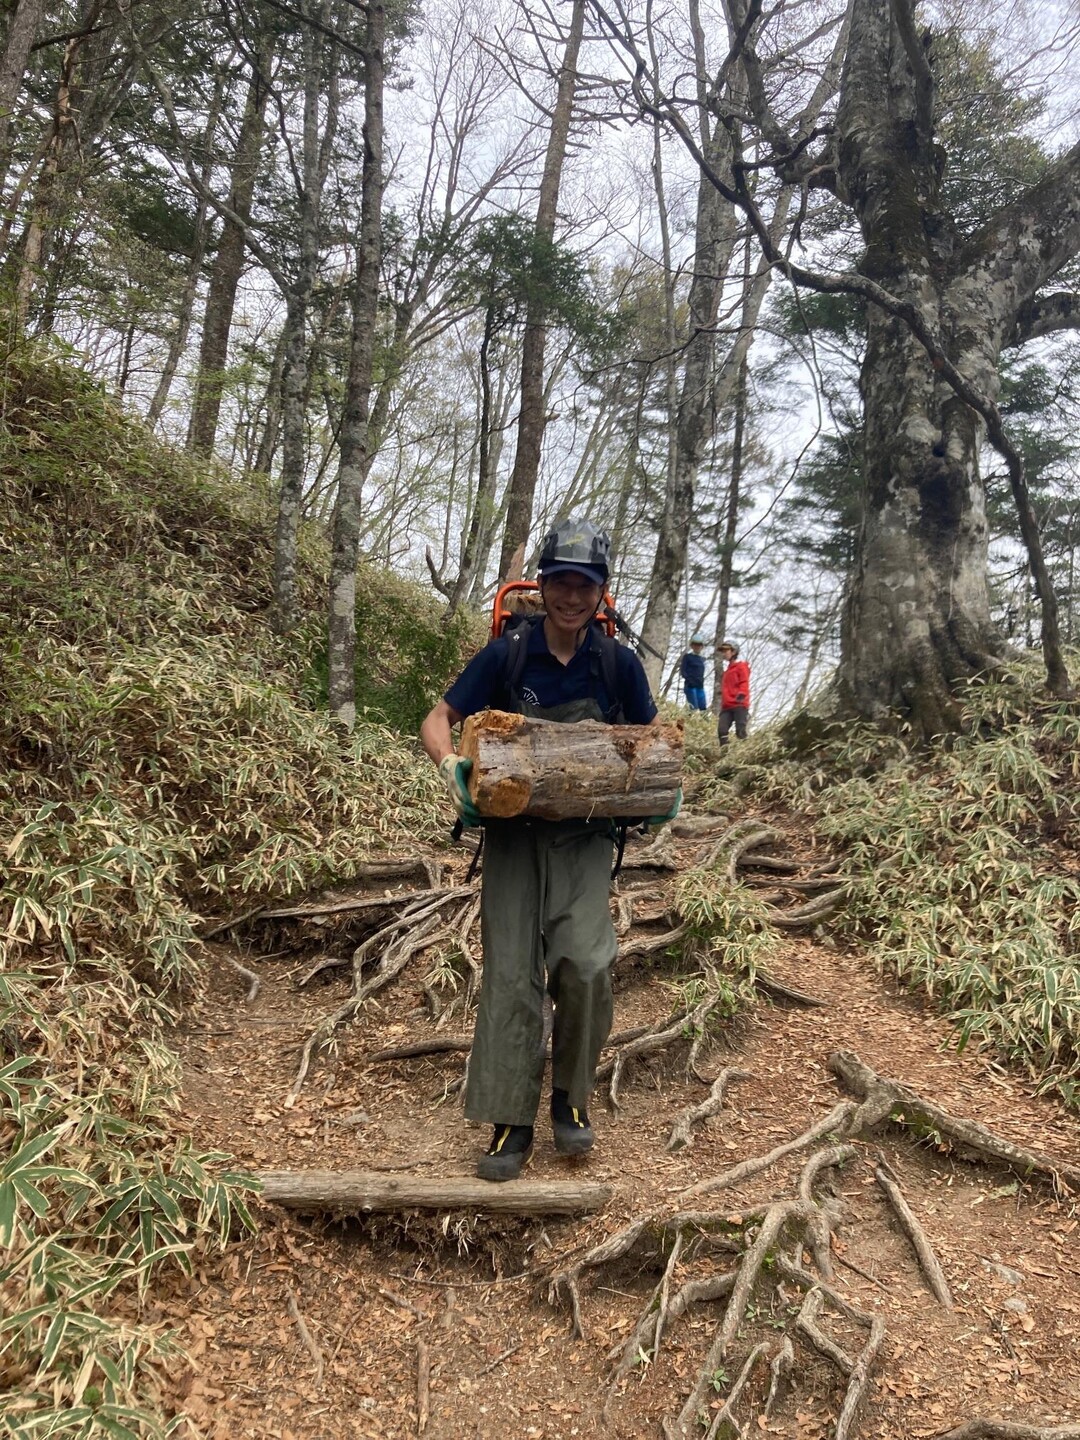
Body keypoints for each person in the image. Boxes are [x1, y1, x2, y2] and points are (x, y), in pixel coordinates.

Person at [420, 519, 671, 1182]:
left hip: (586, 838)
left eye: (583, 585)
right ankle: (510, 1118)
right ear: (545, 584)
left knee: (586, 963)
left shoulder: (615, 664)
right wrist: (451, 767)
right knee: (510, 970)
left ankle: (570, 1098)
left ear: (600, 594)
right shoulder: (508, 654)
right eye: (560, 581)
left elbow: (649, 741)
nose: (570, 595)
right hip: (512, 838)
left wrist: (657, 789)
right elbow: (437, 718)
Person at [717, 640, 750, 744]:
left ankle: (744, 752)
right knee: (722, 730)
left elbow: (744, 681)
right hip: (727, 706)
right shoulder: (727, 671)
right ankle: (725, 753)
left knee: (740, 731)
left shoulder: (741, 666)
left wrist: (742, 693)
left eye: (726, 650)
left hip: (739, 704)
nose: (723, 653)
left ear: (734, 652)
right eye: (722, 651)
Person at [680, 635, 708, 711]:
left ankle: (703, 722)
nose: (697, 647)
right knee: (693, 707)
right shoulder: (687, 657)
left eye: (699, 645)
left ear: (702, 647)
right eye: (695, 644)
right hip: (690, 686)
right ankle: (690, 721)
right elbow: (683, 671)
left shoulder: (702, 659)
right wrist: (689, 680)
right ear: (692, 646)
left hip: (700, 686)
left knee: (703, 708)